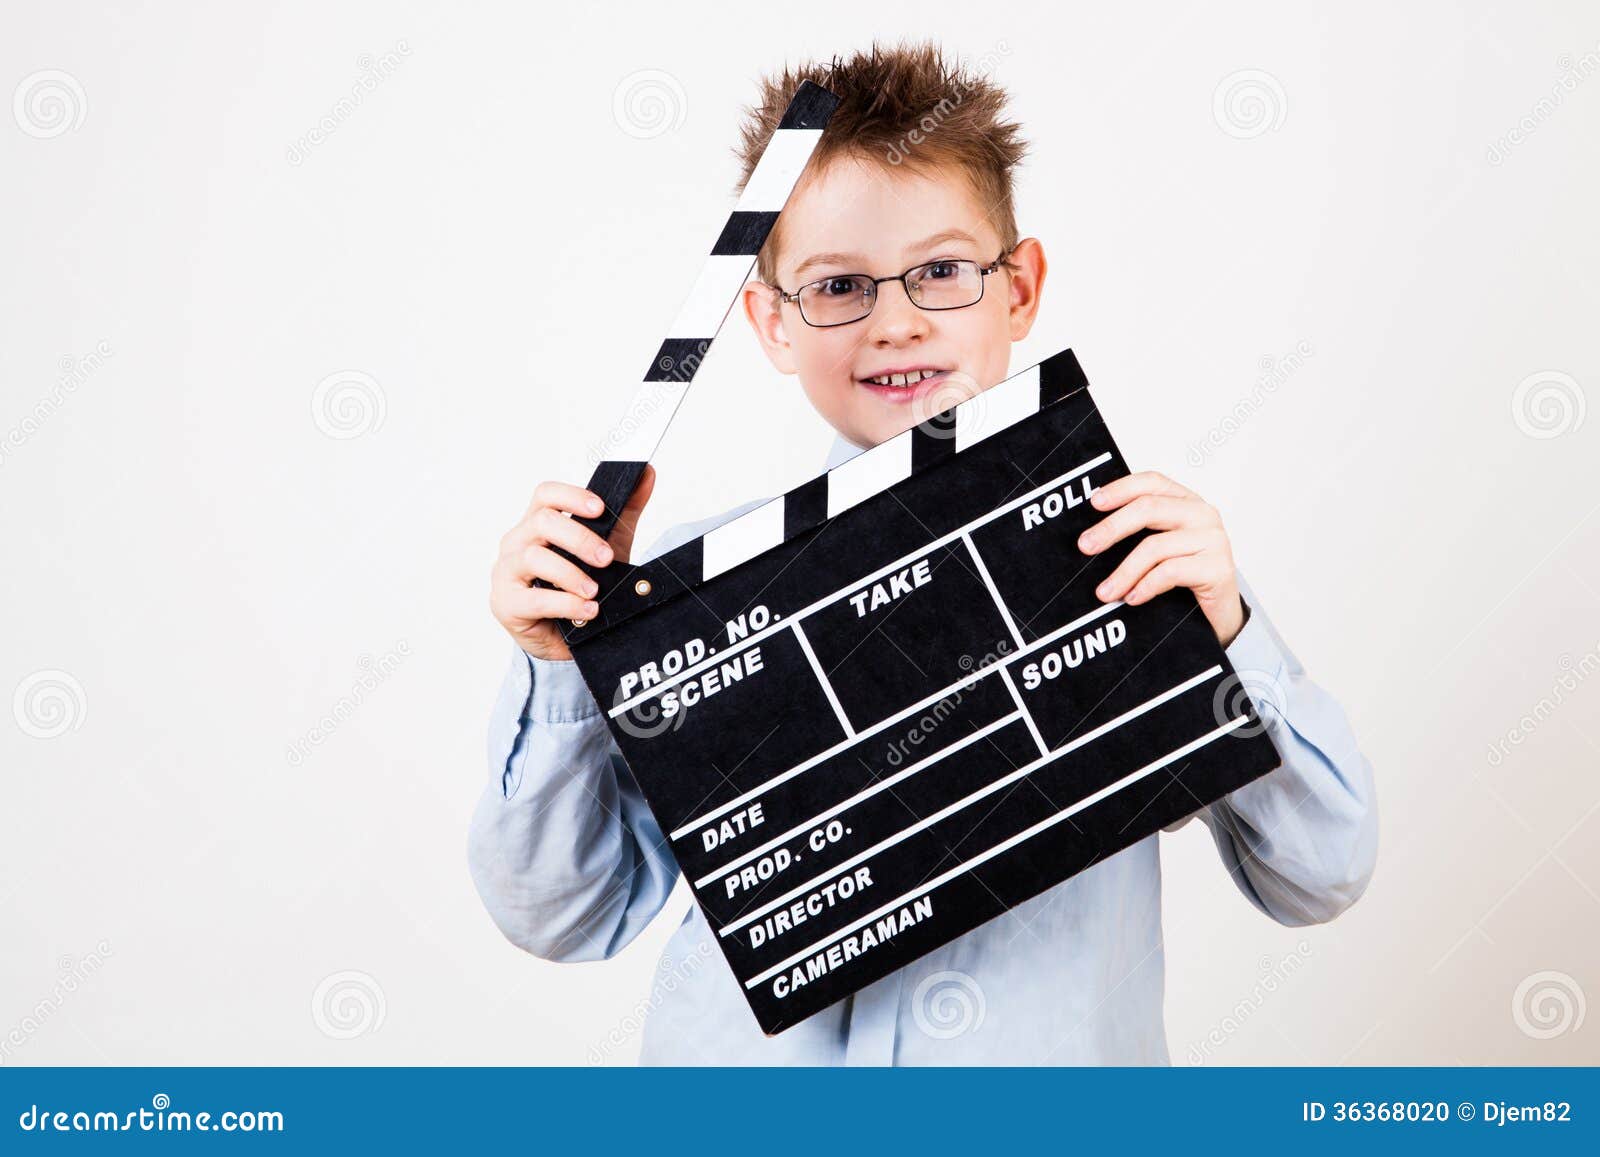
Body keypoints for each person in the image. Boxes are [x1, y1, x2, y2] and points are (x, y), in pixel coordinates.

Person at [470, 41, 1378, 1064]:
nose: (895, 323)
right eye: (838, 285)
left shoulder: (1136, 550)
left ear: (1020, 288)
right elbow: (565, 916)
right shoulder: (693, 593)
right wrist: (556, 662)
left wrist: (1229, 632)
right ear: (769, 321)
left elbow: (1319, 871)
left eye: (942, 271)